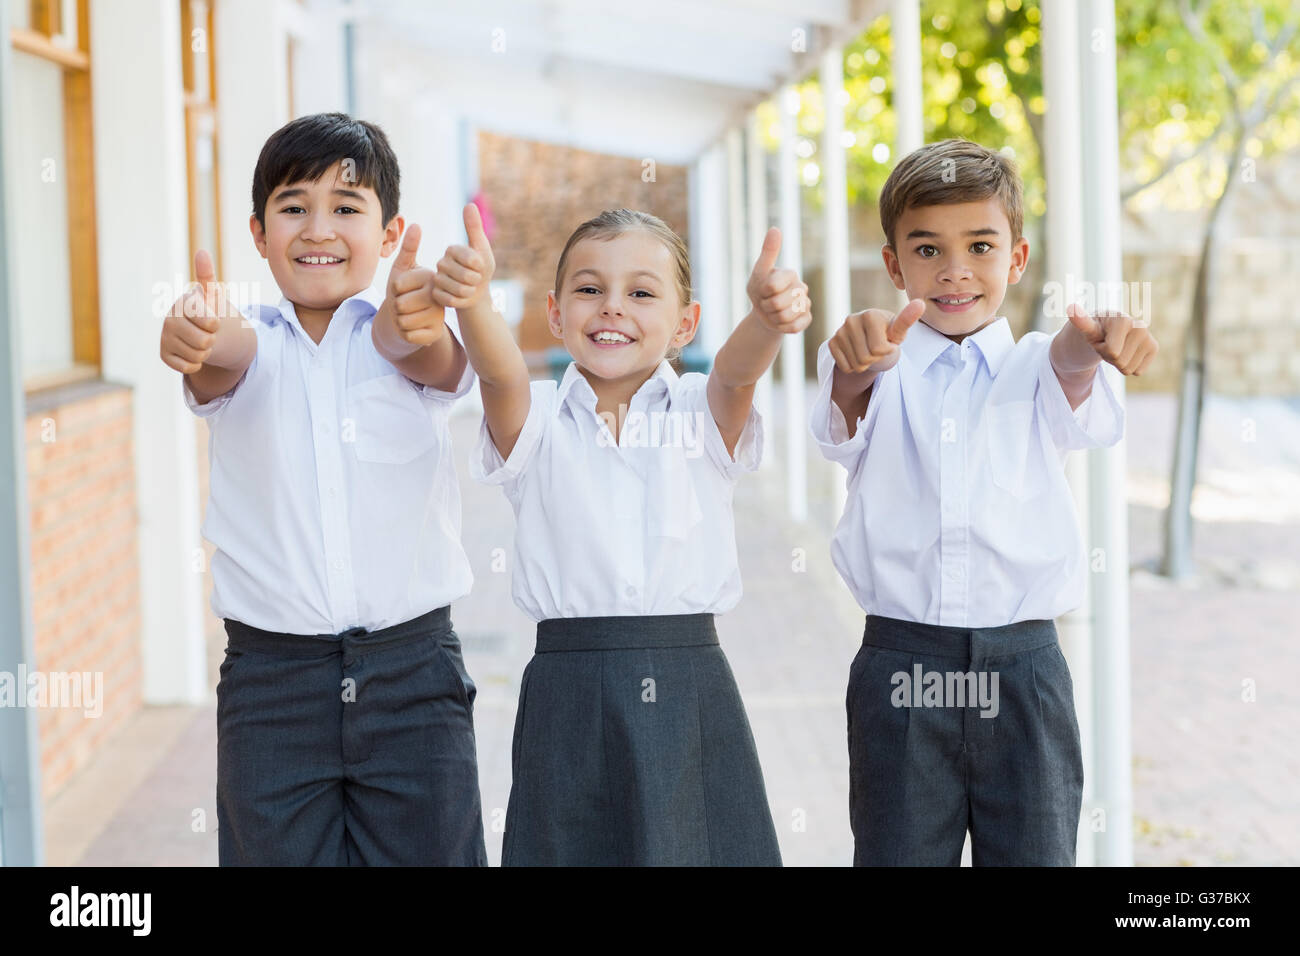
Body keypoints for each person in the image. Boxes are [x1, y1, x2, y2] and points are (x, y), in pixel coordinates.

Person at [811, 138, 1157, 866]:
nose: (956, 270)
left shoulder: (1036, 364)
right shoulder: (873, 362)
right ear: (894, 264)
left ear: (1018, 258)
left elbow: (1067, 360)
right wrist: (854, 366)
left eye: (980, 245)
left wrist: (1089, 341)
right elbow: (848, 400)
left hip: (1024, 668)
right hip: (904, 664)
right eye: (928, 249)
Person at [159, 112, 487, 866]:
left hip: (413, 677)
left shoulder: (404, 338)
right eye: (293, 206)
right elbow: (221, 355)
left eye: (346, 208)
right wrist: (195, 334)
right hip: (272, 686)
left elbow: (417, 349)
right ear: (258, 231)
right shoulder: (250, 346)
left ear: (388, 229)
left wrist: (421, 315)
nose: (319, 228)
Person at [438, 204, 803, 865]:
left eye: (640, 292)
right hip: (567, 688)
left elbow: (737, 374)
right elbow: (499, 374)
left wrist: (767, 322)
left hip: (689, 683)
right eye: (588, 290)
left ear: (684, 324)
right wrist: (471, 307)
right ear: (555, 313)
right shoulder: (538, 421)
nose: (611, 308)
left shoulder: (699, 414)